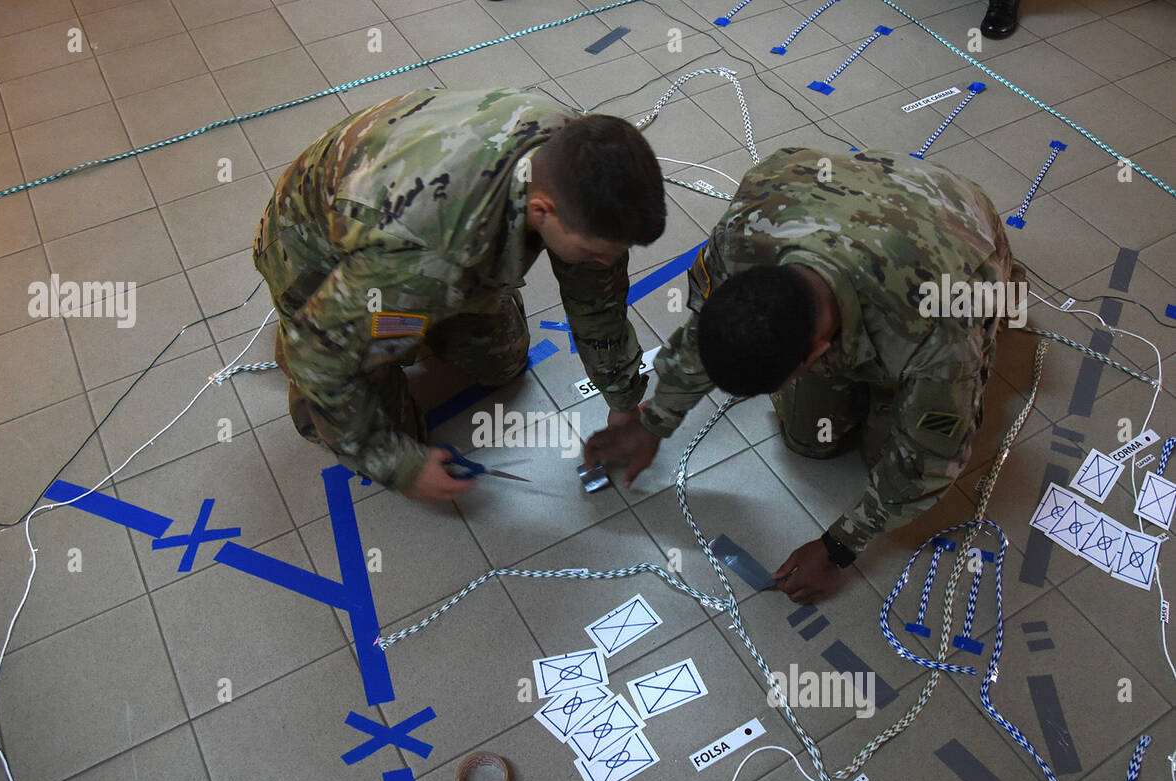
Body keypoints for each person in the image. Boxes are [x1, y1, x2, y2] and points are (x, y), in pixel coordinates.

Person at [583, 147, 1022, 604]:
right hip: (838, 189)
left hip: (955, 223)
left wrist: (838, 548)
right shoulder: (742, 240)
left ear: (816, 353)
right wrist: (654, 424)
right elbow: (707, 334)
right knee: (810, 439)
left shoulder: (940, 330)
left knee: (886, 461)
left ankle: (1010, 287)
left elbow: (929, 462)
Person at [253, 88, 666, 502]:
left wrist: (624, 402)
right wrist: (400, 466)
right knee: (370, 413)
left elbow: (598, 299)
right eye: (594, 253)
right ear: (542, 211)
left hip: (419, 236)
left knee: (503, 361)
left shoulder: (578, 158)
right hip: (314, 248)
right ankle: (314, 324)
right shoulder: (427, 254)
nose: (603, 262)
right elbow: (316, 352)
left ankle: (410, 315)